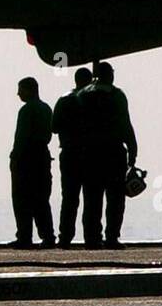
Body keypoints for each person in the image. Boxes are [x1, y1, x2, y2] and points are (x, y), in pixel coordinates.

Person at [77, 61, 137, 248]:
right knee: (115, 199)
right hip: (113, 152)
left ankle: (91, 238)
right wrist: (133, 149)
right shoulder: (117, 95)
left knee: (91, 198)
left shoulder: (83, 95)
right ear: (110, 75)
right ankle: (111, 237)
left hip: (89, 153)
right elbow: (125, 123)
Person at [9, 76, 55, 249]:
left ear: (29, 90)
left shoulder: (26, 110)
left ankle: (24, 236)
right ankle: (48, 235)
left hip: (25, 161)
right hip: (42, 158)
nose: (18, 93)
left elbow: (20, 137)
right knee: (41, 200)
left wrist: (15, 158)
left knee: (22, 200)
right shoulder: (46, 109)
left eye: (21, 89)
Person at [52, 66, 93, 248]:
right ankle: (92, 237)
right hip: (91, 152)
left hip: (69, 152)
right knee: (92, 197)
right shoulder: (94, 100)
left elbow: (54, 127)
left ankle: (65, 237)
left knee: (69, 198)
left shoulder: (64, 99)